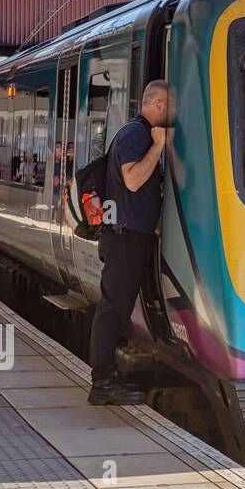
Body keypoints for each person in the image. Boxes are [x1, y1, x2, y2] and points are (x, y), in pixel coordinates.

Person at [88, 80, 172, 406]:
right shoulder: (137, 134)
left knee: (117, 308)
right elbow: (133, 180)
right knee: (113, 309)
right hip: (123, 235)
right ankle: (102, 384)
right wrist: (158, 147)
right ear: (160, 105)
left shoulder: (137, 133)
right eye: (171, 107)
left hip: (130, 234)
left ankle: (107, 378)